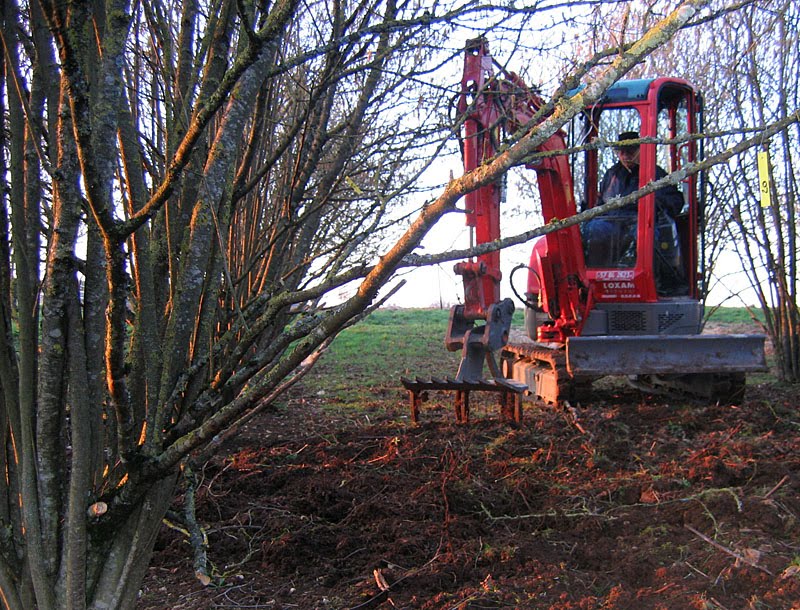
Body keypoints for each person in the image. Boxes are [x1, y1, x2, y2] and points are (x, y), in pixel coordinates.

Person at [582, 131, 687, 294]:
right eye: (622, 152)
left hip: (640, 224)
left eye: (630, 151)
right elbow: (600, 205)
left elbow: (676, 200)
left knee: (644, 234)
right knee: (591, 228)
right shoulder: (611, 176)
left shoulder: (655, 174)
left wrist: (656, 203)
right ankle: (588, 280)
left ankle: (647, 281)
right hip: (613, 224)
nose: (625, 156)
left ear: (640, 150)